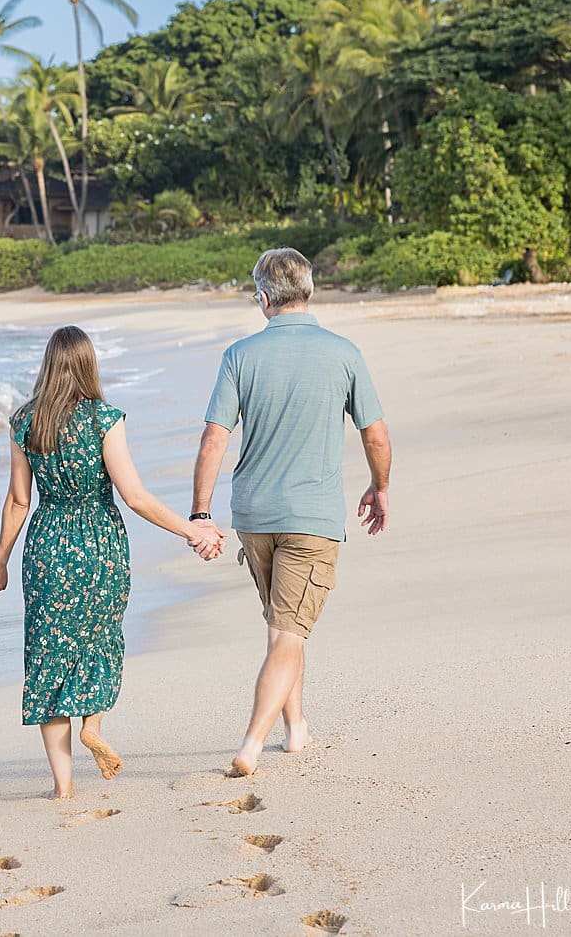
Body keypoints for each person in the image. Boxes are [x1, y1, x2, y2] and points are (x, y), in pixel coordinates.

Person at [0, 326, 226, 800]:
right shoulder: (105, 419)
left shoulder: (24, 422)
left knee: (48, 653)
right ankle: (92, 726)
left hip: (48, 545)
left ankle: (62, 786)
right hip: (99, 542)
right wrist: (192, 529)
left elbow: (18, 501)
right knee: (99, 639)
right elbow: (135, 496)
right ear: (88, 365)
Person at [191, 247, 392, 778]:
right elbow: (375, 433)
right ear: (309, 290)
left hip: (254, 515)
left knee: (282, 626)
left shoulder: (240, 355)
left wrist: (200, 511)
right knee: (290, 631)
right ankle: (253, 743)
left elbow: (215, 438)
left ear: (263, 299)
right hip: (311, 516)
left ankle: (295, 729)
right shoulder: (343, 353)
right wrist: (380, 486)